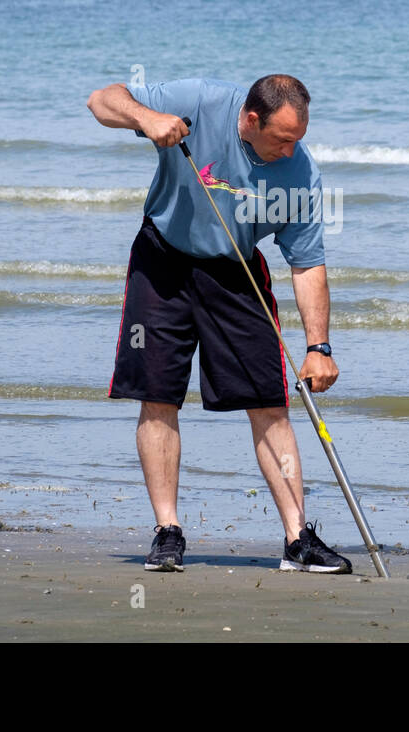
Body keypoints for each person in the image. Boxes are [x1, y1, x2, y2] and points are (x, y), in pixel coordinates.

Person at [85, 74, 353, 574]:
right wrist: (147, 118)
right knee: (158, 393)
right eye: (283, 138)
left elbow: (307, 263)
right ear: (251, 119)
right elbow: (101, 100)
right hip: (162, 260)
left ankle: (298, 538)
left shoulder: (299, 171)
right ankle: (168, 532)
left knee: (269, 402)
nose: (292, 149)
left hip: (236, 273)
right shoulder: (199, 101)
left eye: (299, 138)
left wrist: (320, 345)